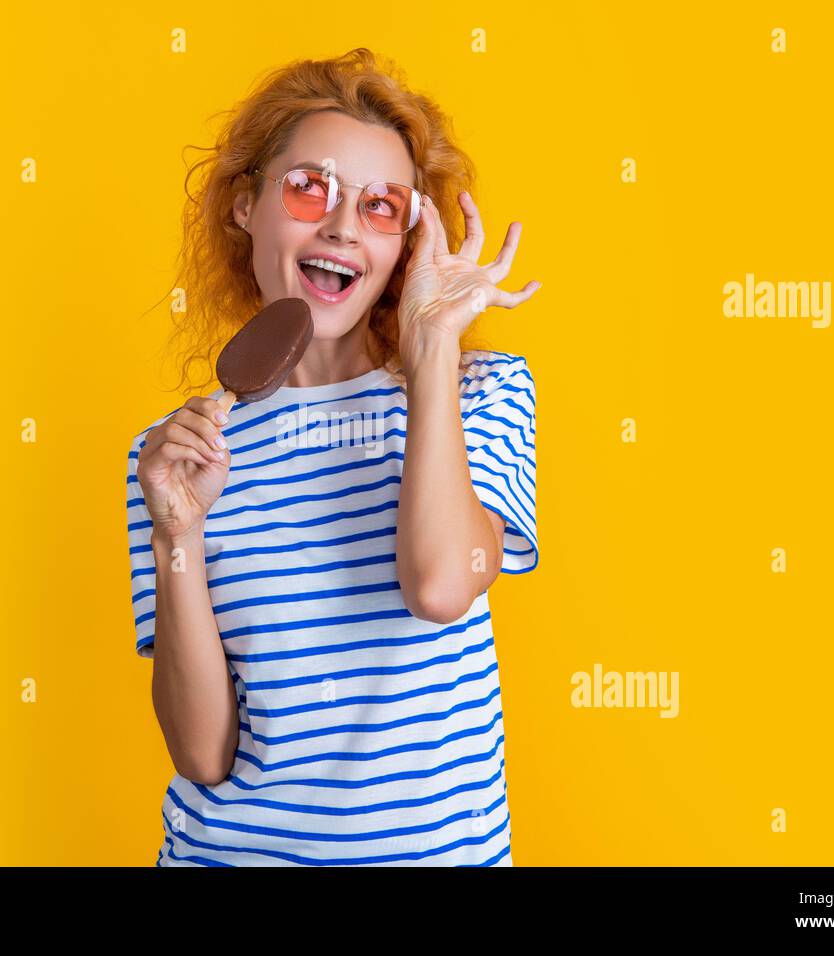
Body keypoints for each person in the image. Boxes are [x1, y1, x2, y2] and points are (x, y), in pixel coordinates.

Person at [125, 48, 540, 865]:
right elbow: (203, 755)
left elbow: (439, 583)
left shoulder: (478, 394)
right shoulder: (177, 457)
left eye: (381, 206)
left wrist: (430, 357)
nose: (343, 226)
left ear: (408, 243)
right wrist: (177, 535)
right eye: (309, 188)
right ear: (246, 207)